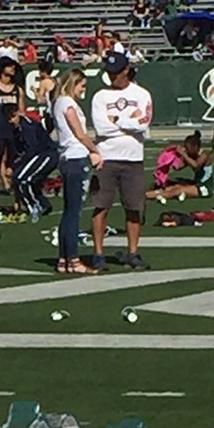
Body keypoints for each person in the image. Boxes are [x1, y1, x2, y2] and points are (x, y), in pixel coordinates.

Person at [90, 52, 152, 271]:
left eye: (116, 72)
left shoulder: (141, 94)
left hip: (133, 158)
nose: (112, 77)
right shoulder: (100, 96)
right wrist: (128, 124)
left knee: (134, 207)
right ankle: (98, 253)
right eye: (109, 73)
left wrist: (116, 120)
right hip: (106, 157)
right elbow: (101, 127)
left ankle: (133, 252)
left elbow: (143, 123)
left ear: (126, 70)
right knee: (101, 206)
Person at [52, 69, 102, 274]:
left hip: (67, 158)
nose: (83, 90)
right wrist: (95, 151)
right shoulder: (67, 103)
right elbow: (80, 134)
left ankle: (64, 258)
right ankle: (73, 258)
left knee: (68, 211)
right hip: (76, 158)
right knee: (74, 212)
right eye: (82, 86)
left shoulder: (58, 102)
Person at [0, 57, 26, 220]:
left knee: (16, 168)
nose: (12, 69)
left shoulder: (17, 90)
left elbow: (22, 111)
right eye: (9, 66)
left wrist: (19, 119)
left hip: (13, 134)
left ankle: (18, 202)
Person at [4, 105, 58, 222]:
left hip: (46, 155)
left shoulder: (27, 127)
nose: (10, 121)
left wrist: (15, 166)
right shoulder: (18, 128)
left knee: (21, 178)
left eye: (12, 117)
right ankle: (43, 204)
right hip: (40, 155)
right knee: (32, 181)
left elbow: (31, 150)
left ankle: (34, 206)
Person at [147, 131, 213, 203]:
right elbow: (178, 167)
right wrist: (172, 153)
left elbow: (196, 165)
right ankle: (152, 193)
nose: (186, 150)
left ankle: (149, 195)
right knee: (174, 186)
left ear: (195, 147)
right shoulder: (190, 156)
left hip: (204, 187)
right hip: (196, 184)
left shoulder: (204, 155)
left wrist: (183, 154)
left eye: (187, 148)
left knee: (178, 190)